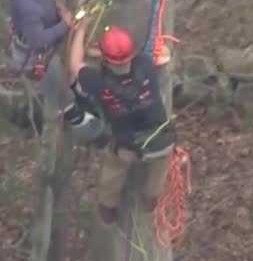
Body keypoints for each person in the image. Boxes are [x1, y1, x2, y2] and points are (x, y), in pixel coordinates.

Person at [65, 18, 175, 226]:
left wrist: (80, 30)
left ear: (105, 60)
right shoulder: (146, 64)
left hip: (128, 146)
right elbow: (132, 55)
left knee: (113, 167)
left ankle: (108, 206)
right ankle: (150, 197)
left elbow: (74, 65)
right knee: (160, 165)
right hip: (161, 139)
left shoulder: (96, 81)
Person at [9, 0, 74, 83]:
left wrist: (56, 5)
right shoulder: (29, 6)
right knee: (55, 78)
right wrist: (64, 25)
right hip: (34, 55)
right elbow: (37, 40)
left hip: (37, 26)